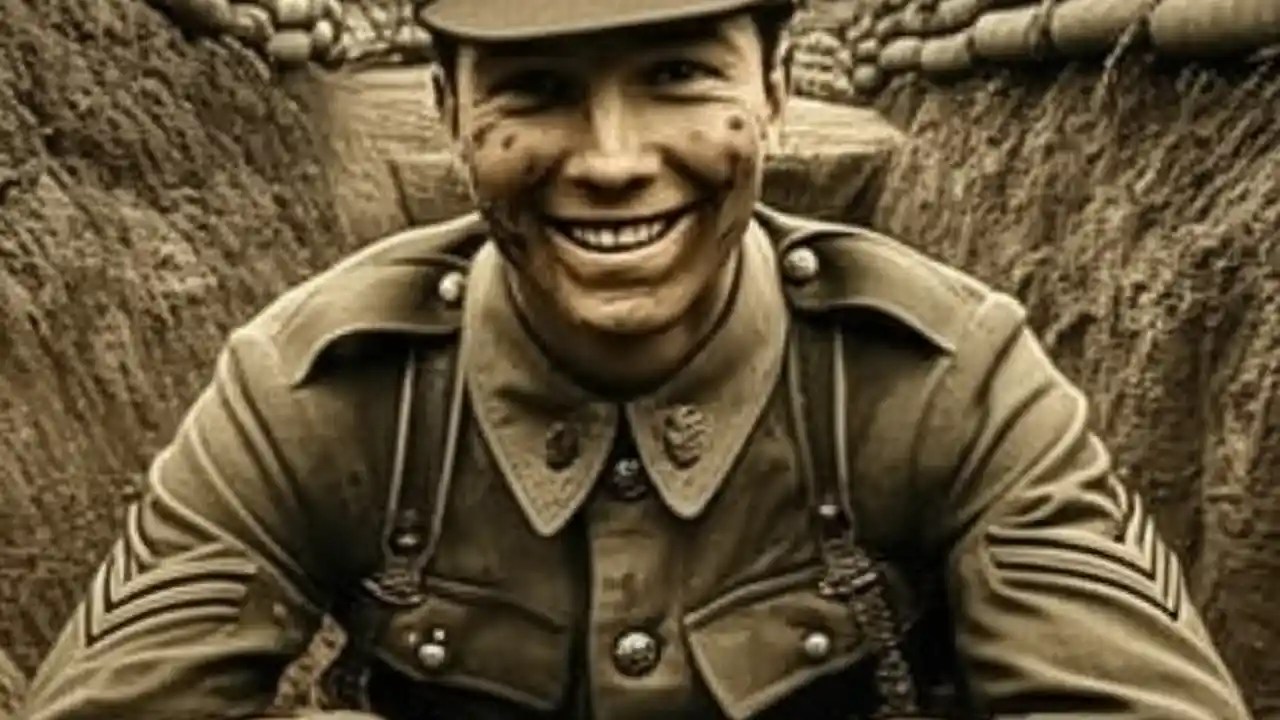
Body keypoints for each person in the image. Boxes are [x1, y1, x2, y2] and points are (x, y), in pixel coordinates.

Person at [21, 0, 1251, 718]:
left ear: (772, 92)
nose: (611, 157)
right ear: (450, 114)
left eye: (675, 78)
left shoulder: (951, 378)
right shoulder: (311, 390)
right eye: (538, 90)